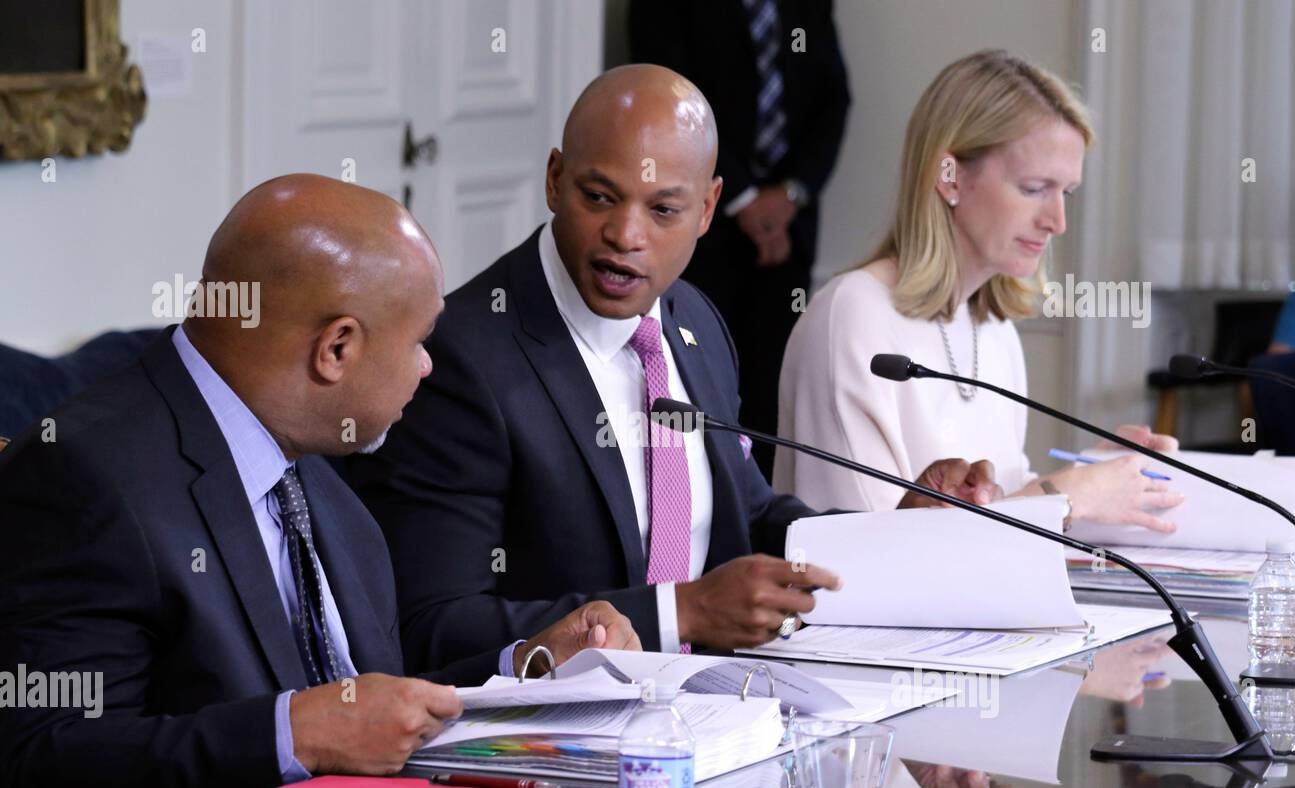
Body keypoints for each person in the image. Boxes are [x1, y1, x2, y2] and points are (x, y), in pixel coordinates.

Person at [0, 174, 636, 788]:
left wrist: (525, 663)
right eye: (421, 341)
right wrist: (292, 733)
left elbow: (362, 698)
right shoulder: (86, 476)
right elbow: (42, 759)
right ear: (335, 350)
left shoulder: (319, 474)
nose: (427, 368)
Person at [350, 65, 998, 674]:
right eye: (599, 196)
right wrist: (679, 612)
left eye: (663, 210)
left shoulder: (693, 321)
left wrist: (890, 538)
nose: (626, 235)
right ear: (554, 180)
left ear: (709, 209)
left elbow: (746, 516)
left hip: (711, 723)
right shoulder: (464, 358)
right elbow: (429, 627)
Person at [776, 50, 1184, 533]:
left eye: (1066, 193)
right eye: (1034, 188)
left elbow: (1001, 510)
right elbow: (863, 553)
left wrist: (1092, 472)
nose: (1057, 221)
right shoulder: (851, 316)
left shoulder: (994, 330)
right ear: (949, 177)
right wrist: (1067, 494)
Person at [629, 0, 851, 480]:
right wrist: (744, 199)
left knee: (769, 389)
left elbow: (834, 99)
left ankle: (756, 521)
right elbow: (664, 97)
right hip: (701, 229)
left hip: (788, 231)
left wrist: (790, 195)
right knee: (695, 380)